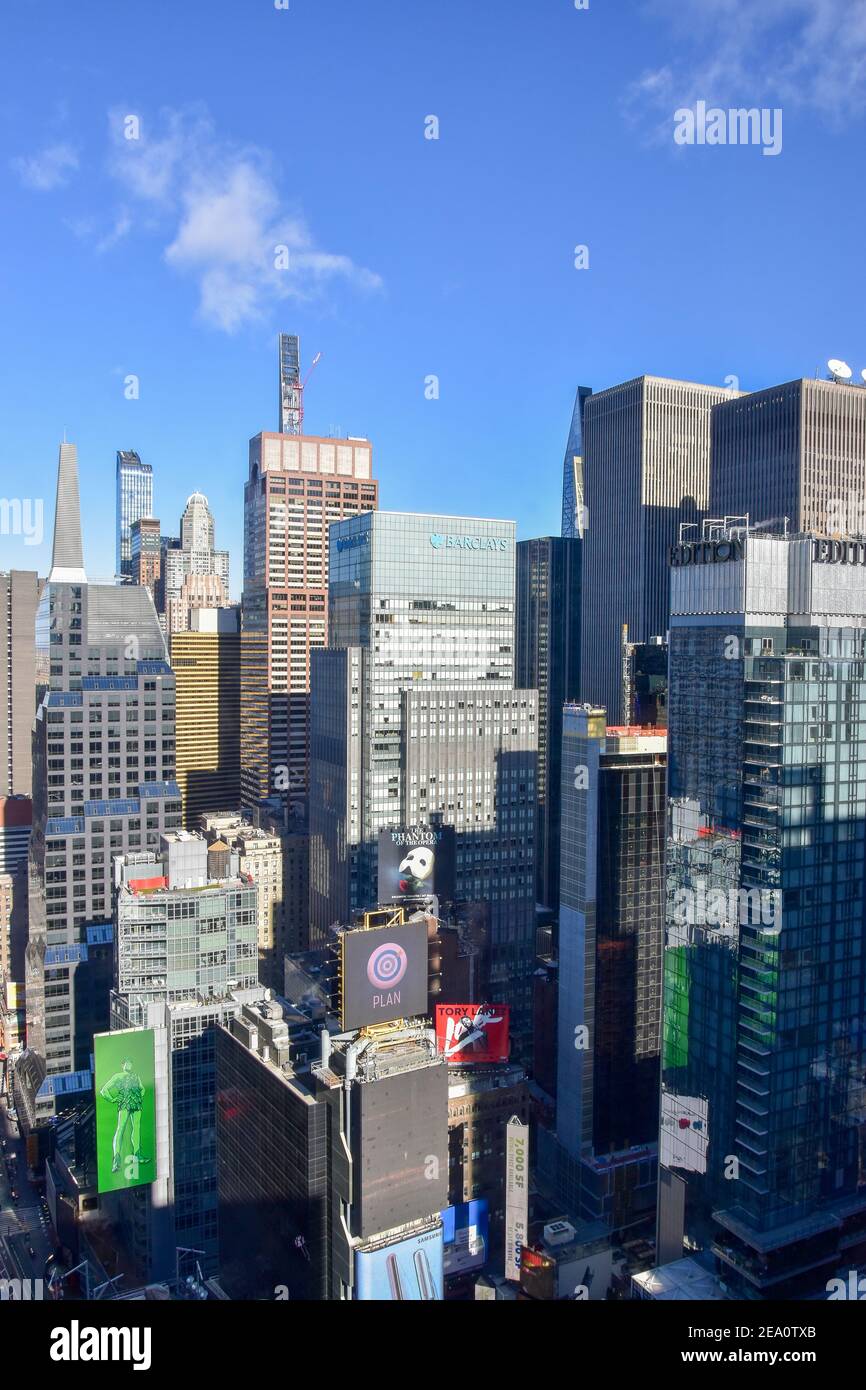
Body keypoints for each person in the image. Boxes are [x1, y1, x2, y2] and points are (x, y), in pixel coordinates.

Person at [100, 1059, 149, 1176]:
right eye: (127, 1063)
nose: (129, 1065)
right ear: (123, 1065)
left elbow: (143, 1088)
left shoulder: (136, 1076)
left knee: (136, 1127)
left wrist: (139, 1096)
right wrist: (112, 1099)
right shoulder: (118, 1076)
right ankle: (116, 1159)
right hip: (124, 1103)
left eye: (131, 1062)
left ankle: (137, 1154)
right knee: (120, 1128)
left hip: (136, 1103)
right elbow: (104, 1090)